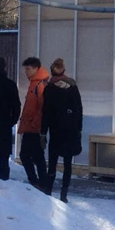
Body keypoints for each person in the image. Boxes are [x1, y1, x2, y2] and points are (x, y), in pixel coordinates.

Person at [41, 57, 83, 203]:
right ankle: (64, 195)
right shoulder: (73, 87)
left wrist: (43, 132)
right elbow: (79, 110)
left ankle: (48, 192)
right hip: (70, 131)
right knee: (67, 164)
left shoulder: (49, 89)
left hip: (55, 131)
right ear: (64, 71)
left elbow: (45, 112)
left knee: (52, 162)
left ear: (52, 72)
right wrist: (79, 129)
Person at [17, 56, 49, 187]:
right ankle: (40, 181)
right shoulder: (35, 83)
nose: (26, 72)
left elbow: (42, 107)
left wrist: (34, 124)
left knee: (29, 155)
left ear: (36, 68)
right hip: (30, 126)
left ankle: (38, 181)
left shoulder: (40, 85)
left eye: (28, 69)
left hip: (33, 127)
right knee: (34, 156)